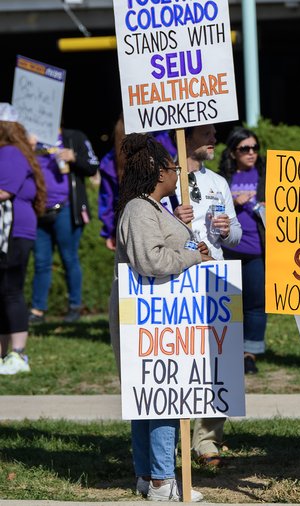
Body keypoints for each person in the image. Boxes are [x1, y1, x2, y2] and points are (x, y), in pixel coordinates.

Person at [109, 133, 210, 501]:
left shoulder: (151, 207)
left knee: (149, 397)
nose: (178, 174)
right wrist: (192, 257)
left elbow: (164, 250)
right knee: (161, 397)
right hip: (148, 319)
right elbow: (151, 261)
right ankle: (161, 481)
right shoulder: (139, 210)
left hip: (159, 318)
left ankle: (149, 475)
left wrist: (188, 247)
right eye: (174, 168)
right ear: (158, 173)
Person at [167, 124, 242, 467]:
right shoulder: (163, 178)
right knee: (177, 357)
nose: (214, 140)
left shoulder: (218, 183)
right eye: (207, 134)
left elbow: (237, 236)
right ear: (185, 136)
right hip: (172, 278)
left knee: (218, 359)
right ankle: (172, 437)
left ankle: (208, 440)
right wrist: (171, 218)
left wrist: (228, 230)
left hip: (214, 277)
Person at [29, 125, 100, 324]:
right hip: (38, 211)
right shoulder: (29, 139)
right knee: (41, 261)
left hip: (66, 209)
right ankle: (37, 310)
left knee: (69, 257)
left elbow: (92, 166)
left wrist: (74, 157)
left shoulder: (74, 136)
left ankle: (75, 306)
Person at [0, 104, 46, 375]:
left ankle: (17, 354)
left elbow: (4, 190)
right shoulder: (15, 152)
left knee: (10, 290)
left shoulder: (10, 153)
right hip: (12, 231)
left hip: (13, 232)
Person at [219, 127, 268, 375]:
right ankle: (228, 349)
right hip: (228, 251)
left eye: (255, 148)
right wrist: (233, 204)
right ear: (232, 152)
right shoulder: (222, 181)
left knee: (256, 304)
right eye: (245, 149)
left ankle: (250, 354)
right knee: (229, 304)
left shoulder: (266, 176)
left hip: (258, 251)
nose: (251, 153)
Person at [99, 121, 175, 252]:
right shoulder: (162, 144)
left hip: (131, 226)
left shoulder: (109, 160)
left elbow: (108, 200)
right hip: (166, 222)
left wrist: (110, 231)